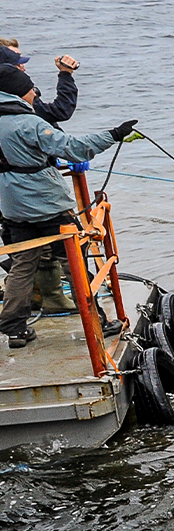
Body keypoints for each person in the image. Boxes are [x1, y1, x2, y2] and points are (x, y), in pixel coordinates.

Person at [0, 67, 135, 349]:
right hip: (49, 207)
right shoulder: (29, 123)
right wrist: (114, 134)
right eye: (31, 87)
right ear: (15, 92)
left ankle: (14, 329)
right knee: (74, 264)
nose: (35, 92)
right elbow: (74, 148)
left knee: (22, 265)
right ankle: (96, 319)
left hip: (12, 208)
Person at [1, 42, 79, 125]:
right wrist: (65, 74)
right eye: (17, 63)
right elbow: (60, 111)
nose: (22, 67)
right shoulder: (16, 96)